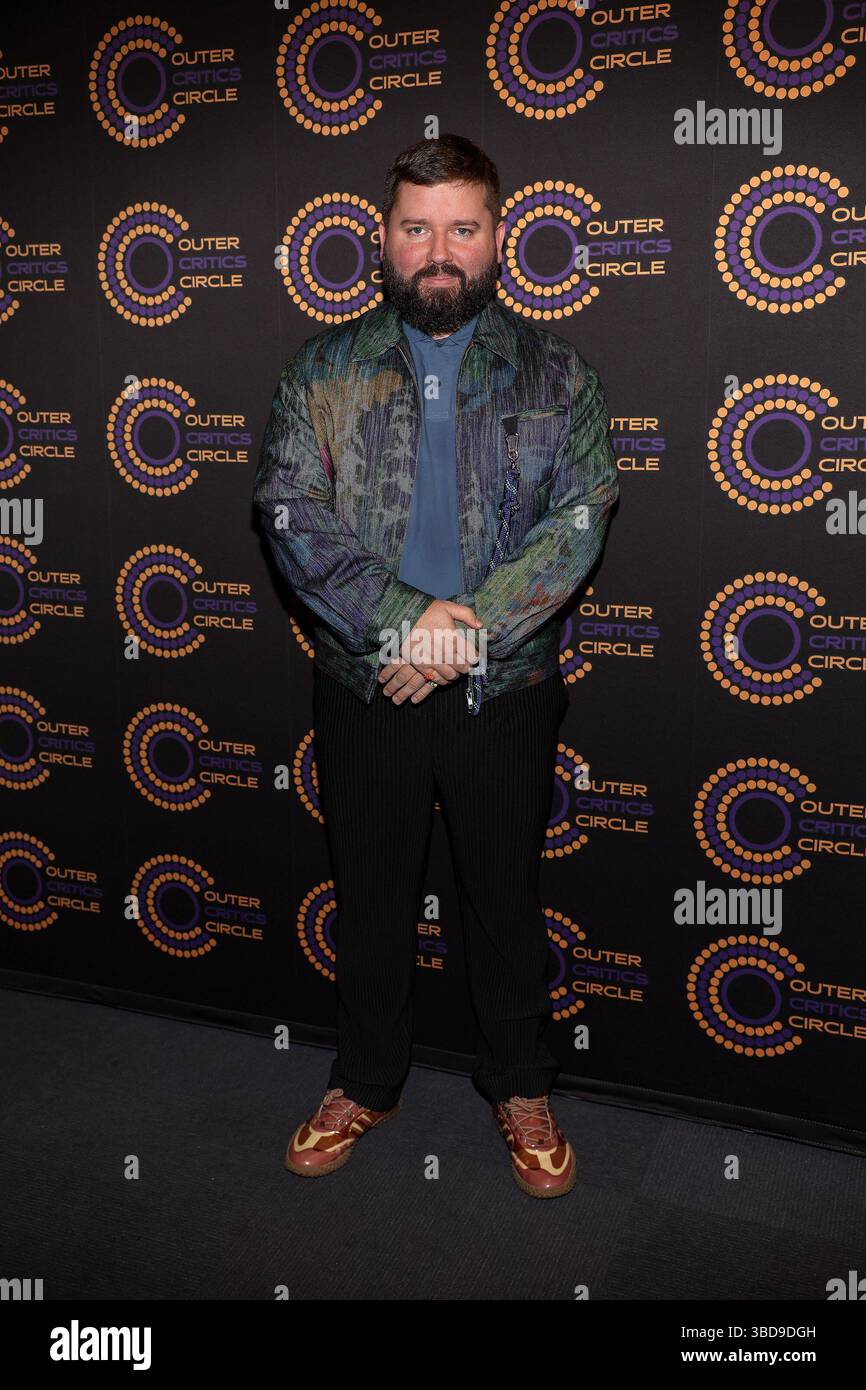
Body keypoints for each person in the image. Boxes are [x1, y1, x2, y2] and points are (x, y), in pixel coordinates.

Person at [253, 134, 619, 1198]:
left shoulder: (559, 375)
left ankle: (518, 1083)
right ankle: (364, 1079)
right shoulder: (320, 369)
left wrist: (462, 634)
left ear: (497, 236)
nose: (438, 250)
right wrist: (404, 623)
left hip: (502, 689)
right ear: (384, 237)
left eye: (461, 227)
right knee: (369, 895)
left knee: (501, 894)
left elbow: (580, 515)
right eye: (416, 228)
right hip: (365, 682)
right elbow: (287, 510)